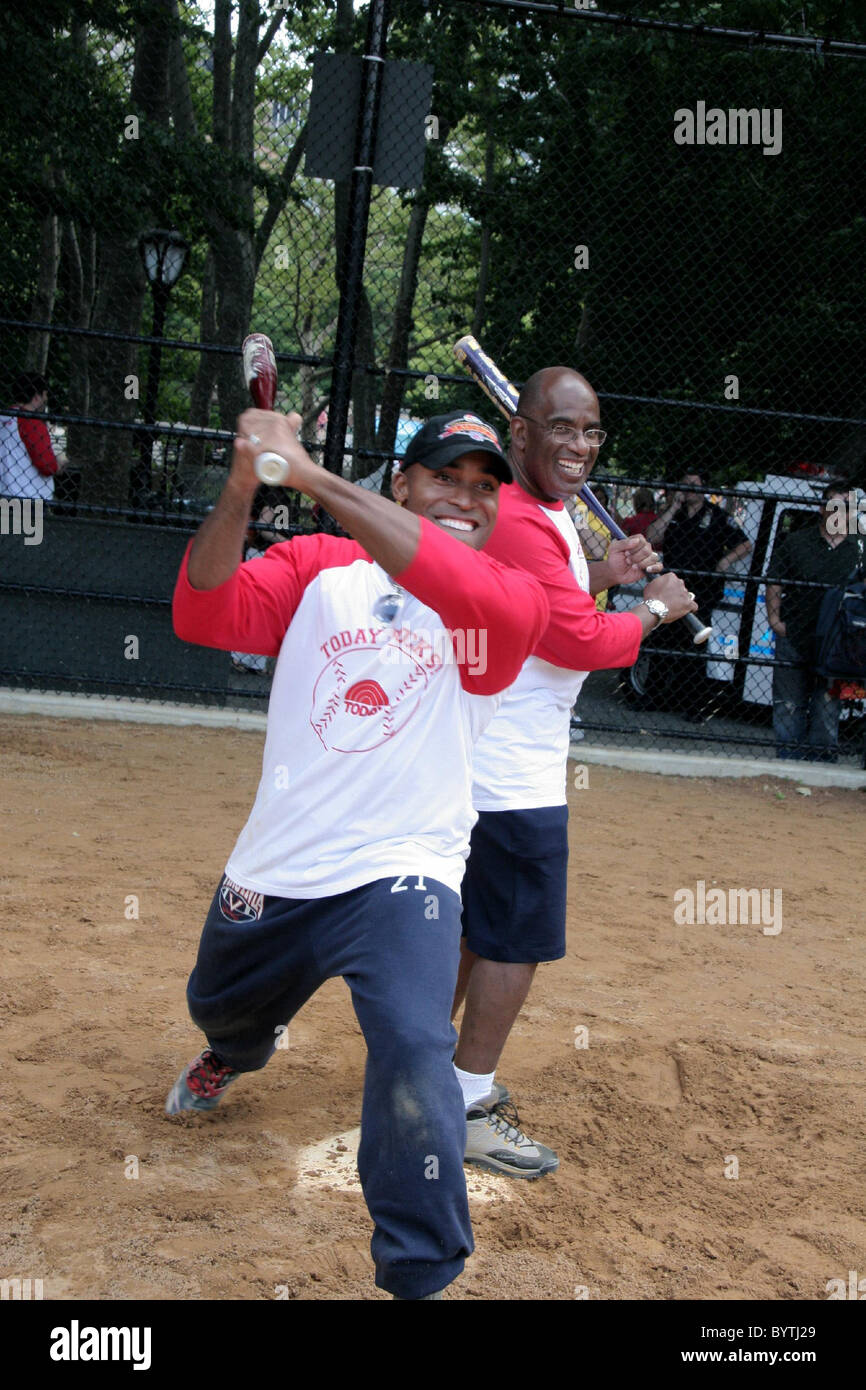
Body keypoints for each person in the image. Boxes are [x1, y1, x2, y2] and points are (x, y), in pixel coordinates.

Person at [166, 407, 549, 1301]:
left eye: (484, 488)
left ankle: (419, 1274)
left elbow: (465, 595)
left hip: (405, 871)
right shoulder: (315, 568)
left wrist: (306, 477)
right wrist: (242, 484)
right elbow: (203, 611)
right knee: (219, 1004)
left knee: (417, 1044)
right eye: (445, 478)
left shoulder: (505, 597)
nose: (466, 498)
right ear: (403, 484)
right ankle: (235, 1048)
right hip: (280, 867)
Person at [450, 367, 697, 1178]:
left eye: (591, 432)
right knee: (511, 941)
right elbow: (577, 643)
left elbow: (549, 601)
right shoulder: (521, 518)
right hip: (513, 774)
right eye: (561, 428)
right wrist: (657, 608)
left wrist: (608, 576)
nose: (580, 446)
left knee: (470, 932)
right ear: (518, 432)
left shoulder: (540, 514)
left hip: (486, 764)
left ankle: (419, 1071)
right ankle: (467, 1100)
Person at [765, 480, 863, 761]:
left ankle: (822, 764)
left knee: (828, 705)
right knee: (788, 704)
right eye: (835, 505)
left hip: (840, 643)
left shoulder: (861, 547)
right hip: (795, 633)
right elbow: (774, 581)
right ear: (822, 508)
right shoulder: (797, 541)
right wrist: (775, 620)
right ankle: (788, 761)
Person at [644, 469, 752, 717]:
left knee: (694, 648)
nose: (689, 489)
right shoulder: (674, 515)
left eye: (694, 484)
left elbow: (745, 543)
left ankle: (691, 706)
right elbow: (651, 536)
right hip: (671, 588)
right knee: (661, 643)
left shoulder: (717, 516)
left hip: (702, 591)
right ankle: (653, 698)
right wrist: (673, 506)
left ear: (704, 488)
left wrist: (725, 561)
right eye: (685, 484)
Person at [0, 372, 66, 499]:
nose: (46, 400)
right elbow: (47, 466)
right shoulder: (31, 422)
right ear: (36, 397)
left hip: (4, 492)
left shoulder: (3, 416)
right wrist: (60, 463)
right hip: (29, 498)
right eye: (45, 395)